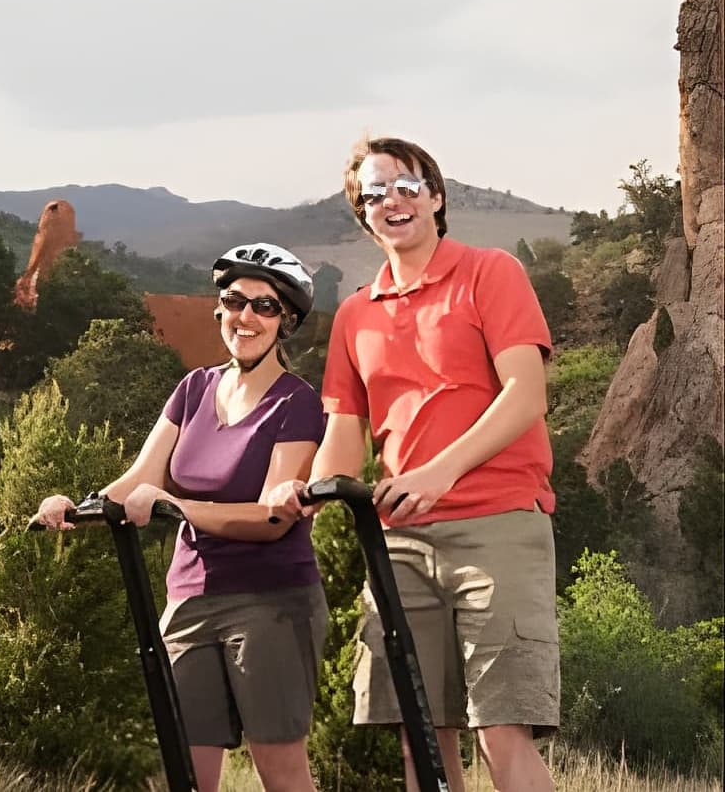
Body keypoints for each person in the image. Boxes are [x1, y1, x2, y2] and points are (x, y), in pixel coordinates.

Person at [265, 136, 558, 792]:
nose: (391, 199)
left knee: (501, 728)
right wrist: (309, 488)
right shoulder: (354, 317)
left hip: (499, 523)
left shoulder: (491, 272)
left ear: (436, 196)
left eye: (405, 185)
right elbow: (347, 433)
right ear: (364, 215)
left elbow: (527, 394)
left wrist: (438, 472)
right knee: (420, 735)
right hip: (397, 539)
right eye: (374, 193)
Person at [35, 243, 327, 792]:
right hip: (189, 600)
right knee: (183, 770)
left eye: (264, 307)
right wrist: (77, 505)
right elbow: (140, 480)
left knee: (280, 769)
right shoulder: (193, 389)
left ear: (286, 321)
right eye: (235, 301)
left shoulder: (296, 403)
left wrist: (177, 507)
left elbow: (272, 517)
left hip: (271, 604)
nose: (246, 317)